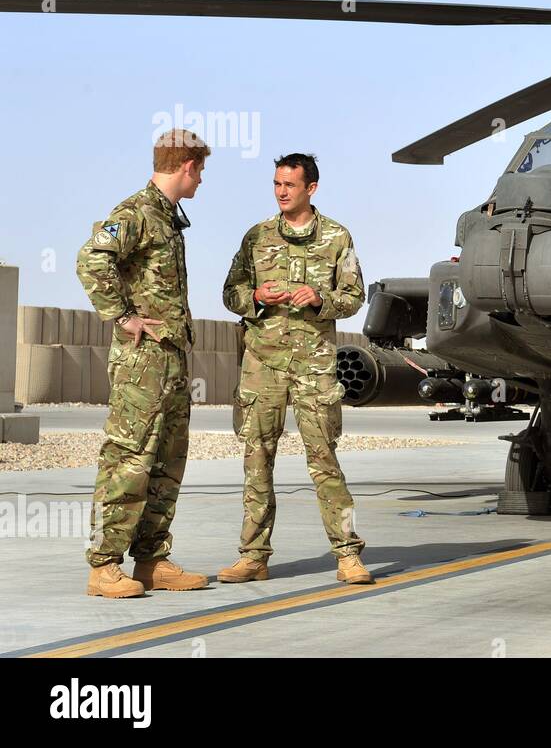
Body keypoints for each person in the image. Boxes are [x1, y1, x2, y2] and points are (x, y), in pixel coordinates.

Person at [218, 153, 371, 584]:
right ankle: (253, 557)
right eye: (276, 184)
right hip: (261, 364)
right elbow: (231, 292)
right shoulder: (257, 236)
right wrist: (256, 298)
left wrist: (321, 299)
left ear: (311, 188)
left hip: (314, 366)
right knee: (256, 460)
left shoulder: (337, 237)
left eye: (290, 185)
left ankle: (347, 555)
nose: (282, 192)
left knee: (323, 459)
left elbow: (355, 297)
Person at [77, 129, 211, 598]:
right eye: (201, 172)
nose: (200, 183)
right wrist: (123, 316)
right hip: (142, 364)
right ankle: (105, 565)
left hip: (171, 361)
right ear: (188, 166)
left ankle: (152, 559)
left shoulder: (168, 217)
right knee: (129, 456)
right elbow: (92, 260)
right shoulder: (135, 212)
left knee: (168, 461)